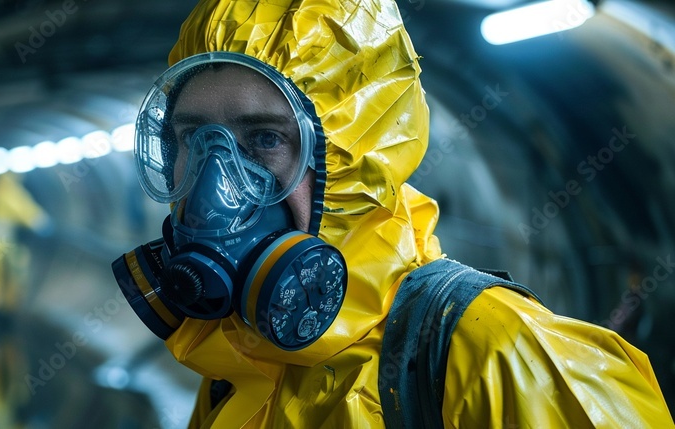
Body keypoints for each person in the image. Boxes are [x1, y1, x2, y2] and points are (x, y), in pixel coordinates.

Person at [111, 0, 674, 427]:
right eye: (194, 138)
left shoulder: (500, 357)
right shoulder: (234, 359)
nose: (214, 185)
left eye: (264, 138)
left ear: (350, 161)